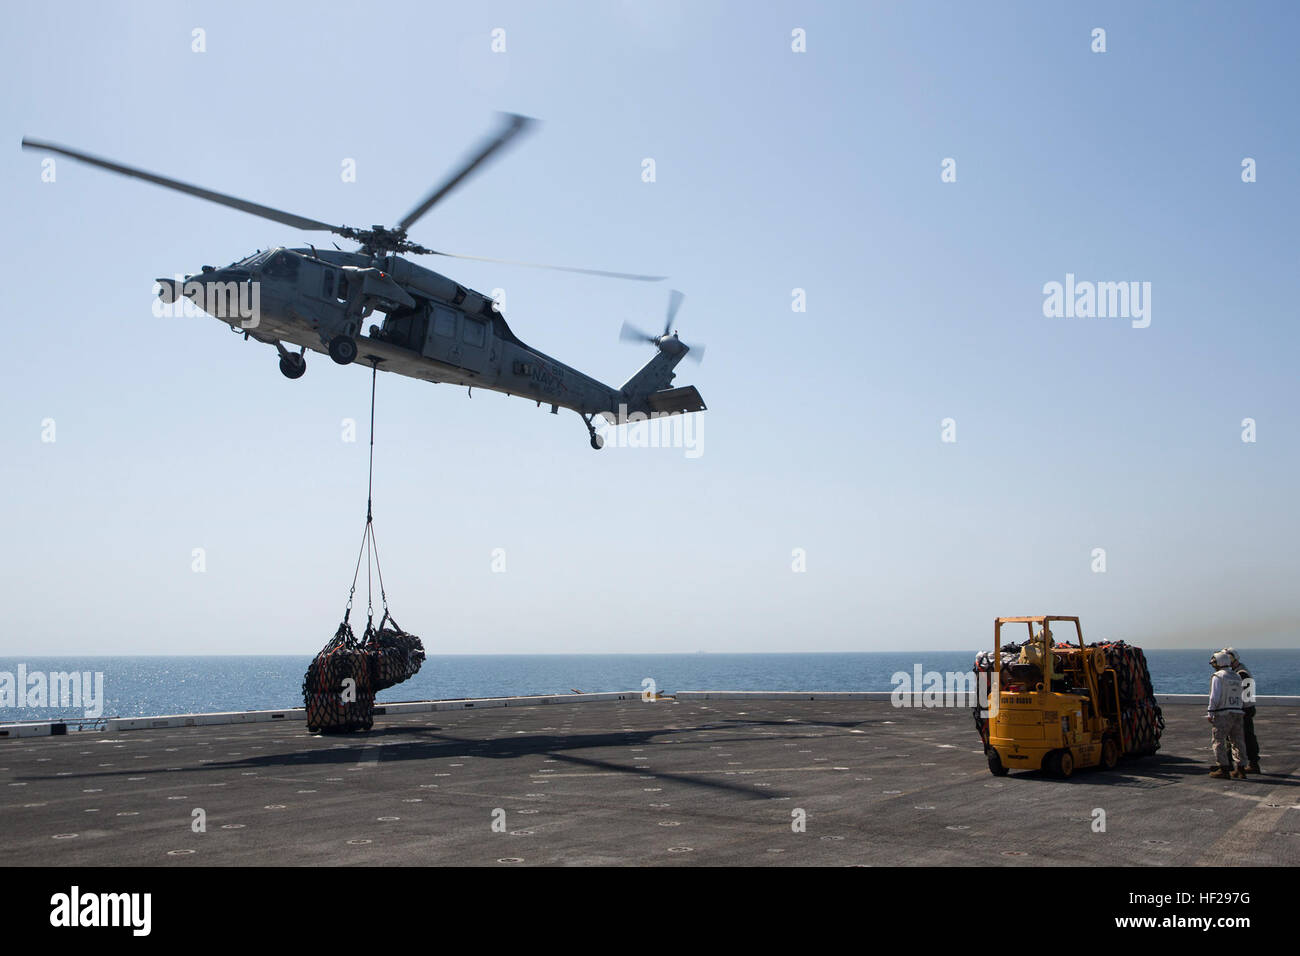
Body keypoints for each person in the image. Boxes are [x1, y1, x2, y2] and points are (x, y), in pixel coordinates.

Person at [1206, 650, 1248, 779]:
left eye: (1214, 663)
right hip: (1237, 712)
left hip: (1223, 713)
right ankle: (1241, 769)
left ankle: (1223, 769)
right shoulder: (1236, 676)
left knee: (1218, 740)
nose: (1213, 665)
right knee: (1238, 741)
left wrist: (1210, 711)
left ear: (1219, 663)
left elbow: (1215, 696)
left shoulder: (1218, 676)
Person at [1224, 647, 1261, 773]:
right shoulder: (1241, 671)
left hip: (1243, 709)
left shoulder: (1241, 673)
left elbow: (1242, 695)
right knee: (1242, 736)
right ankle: (1246, 763)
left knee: (1240, 737)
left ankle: (1250, 763)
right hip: (1247, 708)